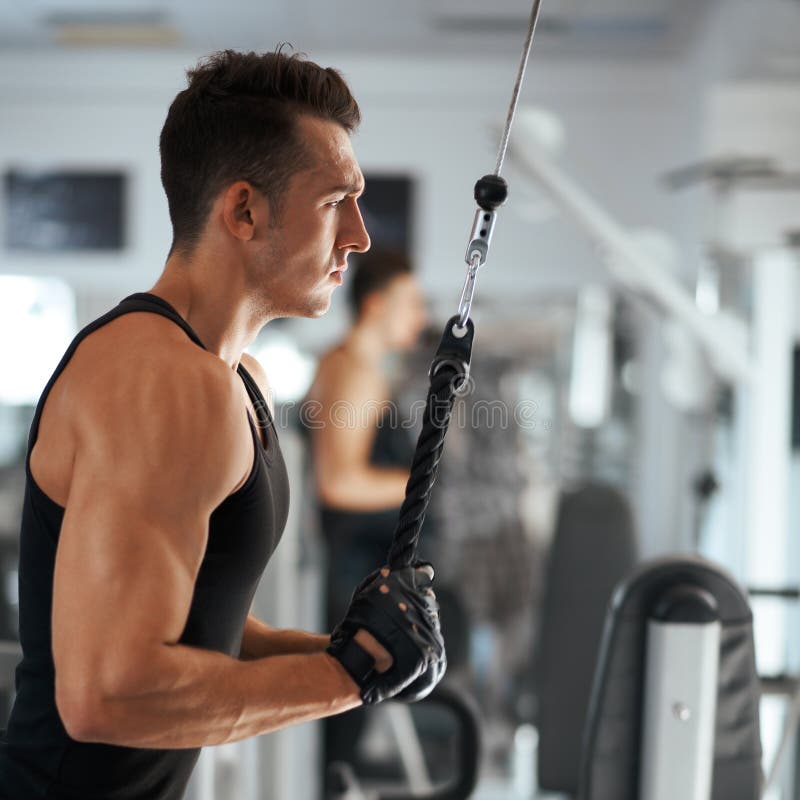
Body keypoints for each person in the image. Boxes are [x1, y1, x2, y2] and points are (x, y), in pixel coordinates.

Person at [0, 49, 444, 800]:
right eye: (336, 202)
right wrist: (345, 679)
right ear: (244, 211)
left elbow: (206, 622)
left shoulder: (238, 381)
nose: (360, 236)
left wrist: (357, 651)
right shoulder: (161, 378)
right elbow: (107, 695)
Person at [304, 250, 429, 772]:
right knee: (341, 731)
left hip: (352, 569)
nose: (420, 316)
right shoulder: (355, 374)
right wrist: (420, 484)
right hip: (352, 575)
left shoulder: (346, 364)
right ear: (376, 305)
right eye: (411, 303)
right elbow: (338, 482)